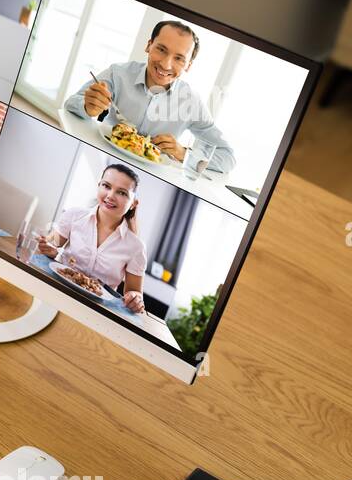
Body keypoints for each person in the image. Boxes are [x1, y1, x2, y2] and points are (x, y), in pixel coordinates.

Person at [63, 20, 237, 176]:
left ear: (188, 66)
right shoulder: (118, 74)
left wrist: (183, 153)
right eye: (161, 49)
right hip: (101, 160)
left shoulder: (192, 103)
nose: (166, 64)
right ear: (149, 46)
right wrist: (87, 107)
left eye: (179, 59)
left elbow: (227, 157)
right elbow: (71, 103)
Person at [35, 164, 148, 313]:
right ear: (98, 186)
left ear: (133, 203)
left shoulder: (136, 247)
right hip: (56, 289)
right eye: (106, 186)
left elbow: (134, 293)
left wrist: (135, 299)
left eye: (121, 192)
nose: (110, 195)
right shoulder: (74, 215)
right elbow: (51, 243)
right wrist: (47, 247)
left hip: (96, 309)